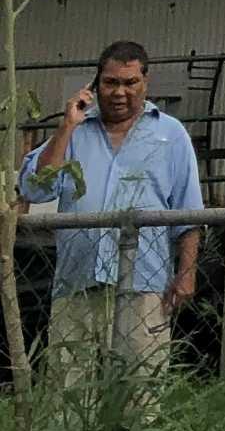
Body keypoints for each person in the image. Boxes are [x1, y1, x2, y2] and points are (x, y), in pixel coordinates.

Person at [18, 40, 202, 384]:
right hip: (78, 282)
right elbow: (35, 188)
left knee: (140, 392)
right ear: (95, 84)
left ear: (145, 83)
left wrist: (187, 272)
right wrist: (67, 125)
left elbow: (188, 210)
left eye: (130, 83)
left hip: (144, 285)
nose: (120, 92)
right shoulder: (75, 131)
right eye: (111, 82)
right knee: (69, 393)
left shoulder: (170, 134)